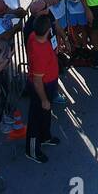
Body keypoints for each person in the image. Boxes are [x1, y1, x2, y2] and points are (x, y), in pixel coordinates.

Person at [25, 12, 61, 164]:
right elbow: (37, 80)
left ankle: (45, 136)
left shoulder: (33, 36)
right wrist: (44, 99)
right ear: (47, 31)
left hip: (49, 84)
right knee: (35, 118)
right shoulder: (41, 51)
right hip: (42, 88)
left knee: (46, 114)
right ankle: (31, 150)